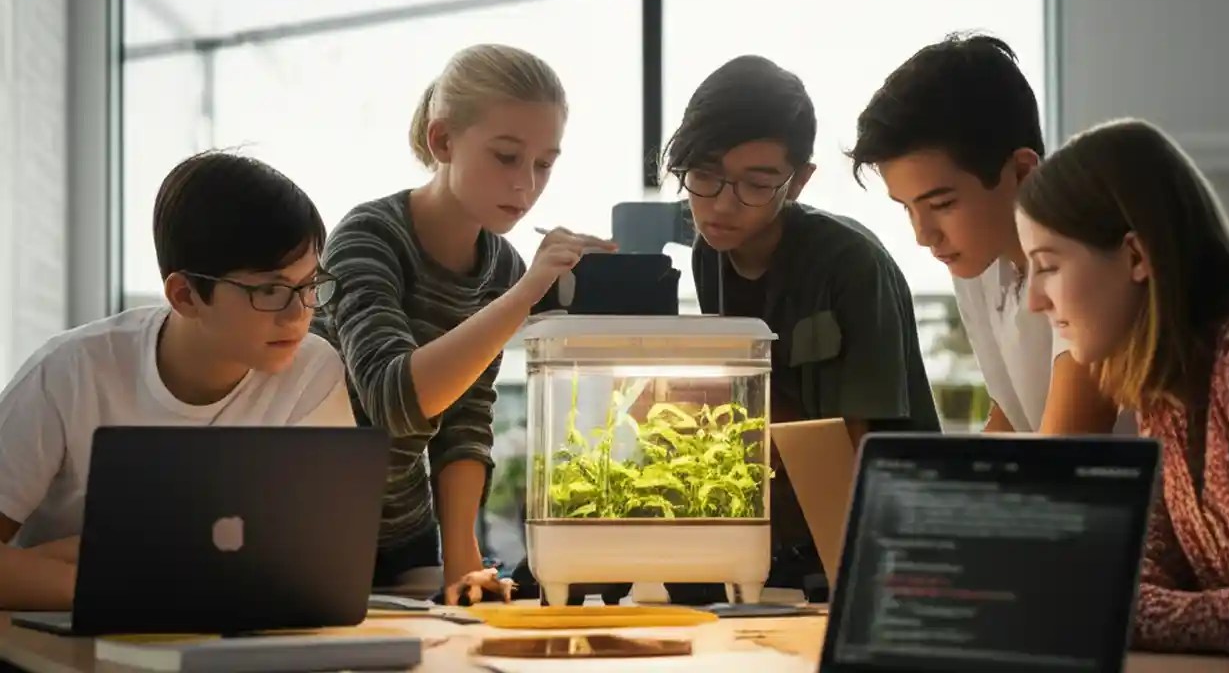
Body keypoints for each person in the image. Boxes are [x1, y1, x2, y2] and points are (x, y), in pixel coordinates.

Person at [311, 44, 613, 604]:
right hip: (309, 526)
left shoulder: (501, 268)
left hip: (405, 531)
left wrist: (463, 561)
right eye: (505, 157)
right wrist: (528, 294)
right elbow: (394, 398)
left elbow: (465, 423)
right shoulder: (368, 237)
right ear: (443, 140)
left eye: (544, 164)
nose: (526, 184)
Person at [0, 151, 354, 611]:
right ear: (185, 295)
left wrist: (95, 562)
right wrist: (127, 585)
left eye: (309, 285)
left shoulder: (312, 370)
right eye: (270, 290)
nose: (299, 314)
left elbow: (313, 566)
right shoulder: (71, 371)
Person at [664, 54, 941, 592]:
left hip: (878, 535)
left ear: (798, 182)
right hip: (777, 532)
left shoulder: (849, 262)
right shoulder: (710, 252)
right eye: (704, 176)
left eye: (756, 184)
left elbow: (865, 447)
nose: (722, 205)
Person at [1017, 118, 1229, 657]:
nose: (1034, 301)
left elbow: (1138, 603)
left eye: (1047, 266)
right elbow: (1151, 568)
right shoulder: (1160, 387)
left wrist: (1116, 609)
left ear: (1137, 257)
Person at [848, 32, 1125, 435]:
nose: (924, 236)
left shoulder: (1086, 263)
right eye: (907, 207)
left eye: (942, 205)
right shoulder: (978, 263)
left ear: (1022, 173)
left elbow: (1065, 455)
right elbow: (1012, 415)